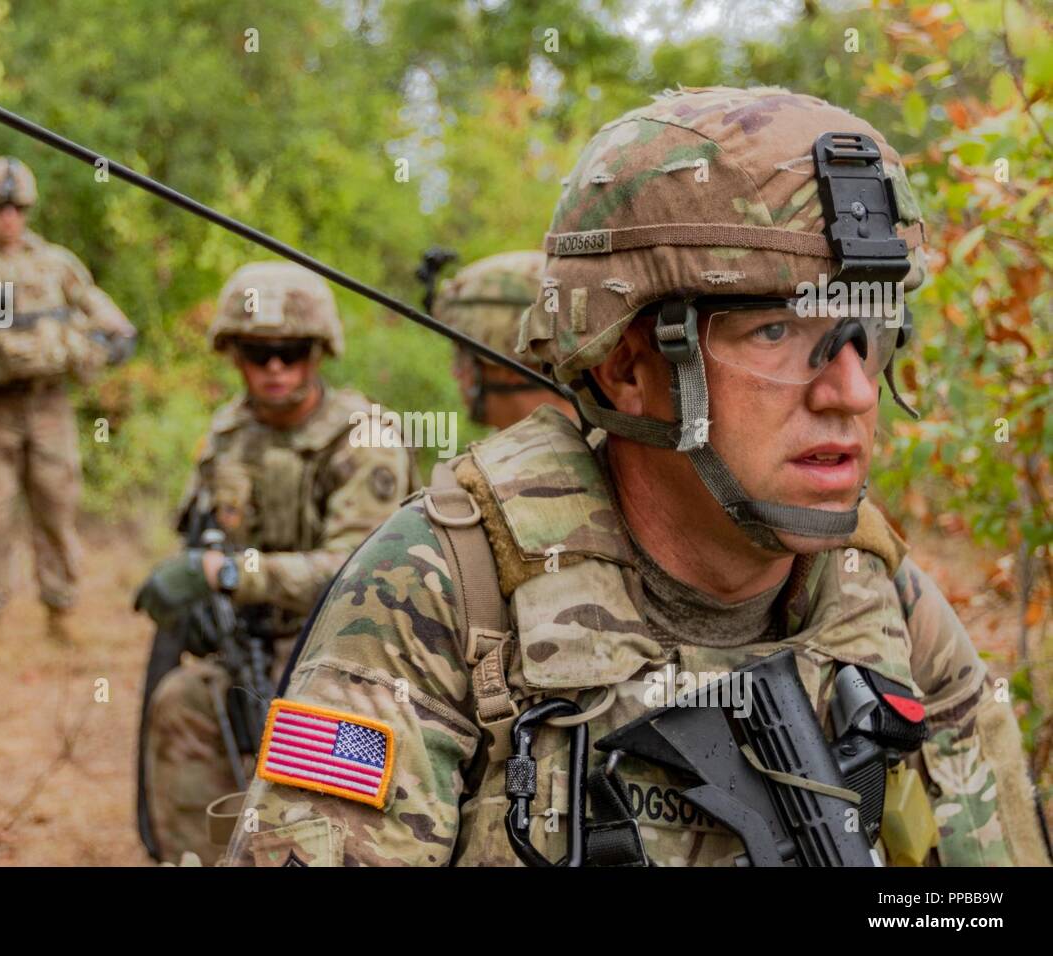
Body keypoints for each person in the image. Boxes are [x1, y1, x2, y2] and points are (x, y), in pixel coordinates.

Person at [220, 87, 1051, 867]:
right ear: (627, 367)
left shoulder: (883, 599)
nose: (852, 392)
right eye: (774, 332)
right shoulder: (438, 593)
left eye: (868, 332)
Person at [134, 261, 416, 864]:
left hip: (350, 655)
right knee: (180, 702)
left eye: (290, 351)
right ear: (234, 354)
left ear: (318, 352)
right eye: (258, 353)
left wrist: (232, 576)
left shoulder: (364, 435)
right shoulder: (228, 434)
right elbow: (203, 536)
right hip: (253, 645)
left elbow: (355, 573)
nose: (276, 368)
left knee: (325, 781)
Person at [0, 156, 136, 640]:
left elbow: (98, 306)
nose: (8, 217)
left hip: (48, 405)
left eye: (17, 207)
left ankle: (60, 612)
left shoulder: (54, 262)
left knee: (57, 507)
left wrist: (118, 335)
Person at [434, 250, 576, 429]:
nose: (455, 372)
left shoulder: (515, 455)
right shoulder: (608, 446)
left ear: (509, 366)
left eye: (463, 357)